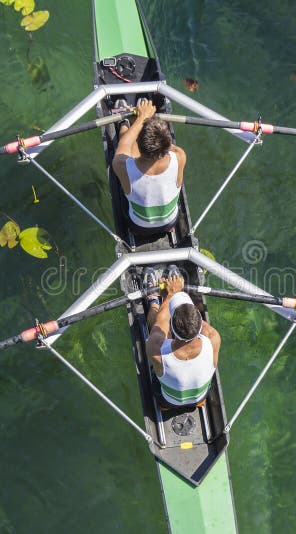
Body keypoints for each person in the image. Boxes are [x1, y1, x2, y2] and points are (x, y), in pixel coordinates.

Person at [144, 268, 221, 407]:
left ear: (172, 325)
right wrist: (178, 293)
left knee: (159, 328)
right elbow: (193, 320)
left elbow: (161, 322)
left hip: (167, 401)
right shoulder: (213, 337)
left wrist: (168, 296)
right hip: (199, 398)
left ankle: (154, 301)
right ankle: (200, 403)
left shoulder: (154, 348)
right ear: (199, 322)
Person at [112, 99, 187, 235]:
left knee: (130, 148)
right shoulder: (180, 156)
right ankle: (138, 122)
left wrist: (142, 118)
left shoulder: (120, 165)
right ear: (167, 141)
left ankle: (124, 123)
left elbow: (124, 145)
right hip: (170, 223)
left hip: (138, 227)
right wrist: (152, 122)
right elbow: (165, 144)